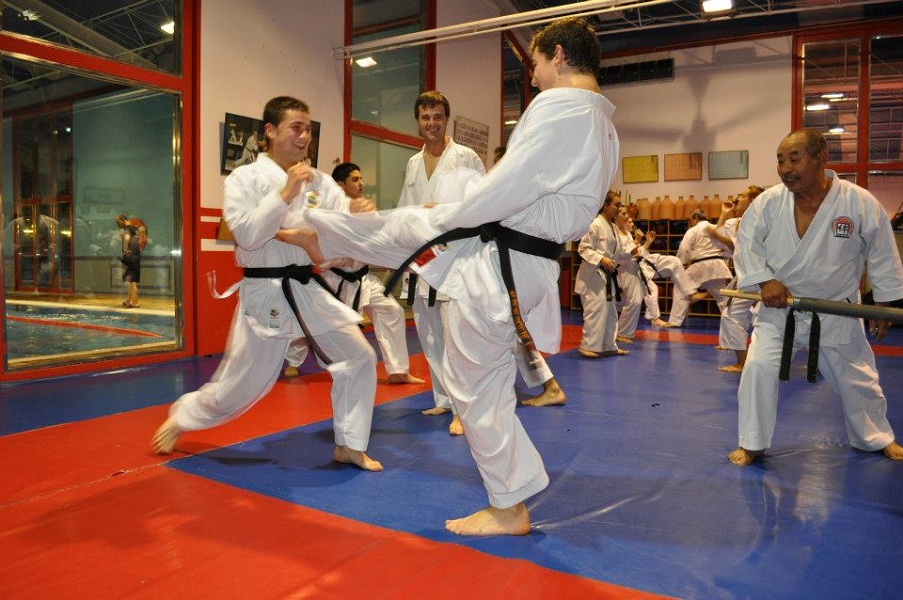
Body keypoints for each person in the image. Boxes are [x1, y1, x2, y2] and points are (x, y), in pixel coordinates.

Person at [285, 16, 619, 534]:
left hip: (504, 256)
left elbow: (506, 187)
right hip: (524, 255)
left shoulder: (561, 107)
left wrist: (452, 212)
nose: (532, 77)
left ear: (557, 55)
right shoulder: (601, 122)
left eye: (534, 64)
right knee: (415, 240)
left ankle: (509, 507)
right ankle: (326, 240)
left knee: (473, 377)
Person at [151, 96, 383, 472]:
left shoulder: (322, 182)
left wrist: (357, 215)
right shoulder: (244, 179)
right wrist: (285, 193)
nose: (304, 136)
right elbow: (247, 236)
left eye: (308, 129)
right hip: (266, 292)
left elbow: (339, 235)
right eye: (296, 127)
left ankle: (350, 444)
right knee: (242, 386)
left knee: (359, 357)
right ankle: (184, 416)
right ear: (270, 131)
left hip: (307, 286)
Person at [729, 127, 903, 466]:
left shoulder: (858, 202)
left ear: (821, 158)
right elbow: (747, 244)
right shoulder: (768, 203)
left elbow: (882, 253)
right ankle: (752, 443)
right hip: (780, 310)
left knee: (858, 378)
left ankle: (876, 438)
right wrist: (765, 281)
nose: (785, 169)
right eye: (780, 160)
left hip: (836, 309)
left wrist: (883, 304)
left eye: (794, 159)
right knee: (758, 368)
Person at [282, 162, 425, 385]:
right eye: (355, 179)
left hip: (363, 278)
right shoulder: (325, 205)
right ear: (340, 184)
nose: (361, 184)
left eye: (361, 179)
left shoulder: (365, 207)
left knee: (391, 310)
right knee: (313, 325)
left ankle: (398, 371)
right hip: (334, 278)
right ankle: (292, 360)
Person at [397, 90, 486, 436]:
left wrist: (445, 211)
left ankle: (464, 409)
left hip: (454, 257)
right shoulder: (412, 163)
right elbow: (405, 208)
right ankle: (444, 398)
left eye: (437, 116)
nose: (431, 123)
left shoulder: (465, 157)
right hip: (420, 258)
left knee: (454, 336)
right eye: (425, 117)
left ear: (446, 119)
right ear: (418, 121)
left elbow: (481, 204)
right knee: (429, 333)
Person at [707, 185, 764, 372]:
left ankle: (742, 363)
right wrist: (724, 214)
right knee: (744, 316)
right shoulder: (736, 222)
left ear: (753, 200)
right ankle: (749, 360)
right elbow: (720, 241)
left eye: (743, 196)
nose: (738, 199)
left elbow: (733, 245)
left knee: (732, 315)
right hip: (748, 275)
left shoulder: (761, 220)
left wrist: (716, 235)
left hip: (757, 275)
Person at [575, 191, 630, 358]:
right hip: (593, 274)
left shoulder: (614, 228)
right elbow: (583, 248)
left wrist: (630, 253)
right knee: (596, 309)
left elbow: (617, 255)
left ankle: (609, 345)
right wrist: (601, 259)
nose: (619, 208)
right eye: (616, 205)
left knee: (611, 311)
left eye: (620, 205)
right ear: (605, 205)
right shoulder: (594, 224)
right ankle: (588, 345)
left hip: (608, 276)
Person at [665, 209, 731, 327]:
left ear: (695, 219)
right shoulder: (716, 228)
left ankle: (674, 321)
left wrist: (681, 264)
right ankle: (731, 321)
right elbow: (727, 247)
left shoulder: (693, 230)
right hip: (717, 264)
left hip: (700, 264)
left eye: (691, 220)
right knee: (722, 297)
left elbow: (684, 249)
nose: (691, 223)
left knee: (680, 288)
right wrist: (723, 263)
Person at [631, 223, 697, 328]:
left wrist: (647, 242)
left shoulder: (628, 236)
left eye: (632, 222)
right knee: (651, 290)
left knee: (674, 263)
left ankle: (654, 317)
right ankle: (688, 292)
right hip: (636, 268)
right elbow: (629, 253)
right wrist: (637, 240)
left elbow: (640, 252)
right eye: (629, 222)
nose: (632, 225)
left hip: (645, 263)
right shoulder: (624, 237)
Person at [613, 205, 645, 344]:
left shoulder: (625, 231)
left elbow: (631, 250)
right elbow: (620, 255)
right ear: (616, 215)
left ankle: (623, 332)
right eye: (624, 213)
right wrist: (636, 241)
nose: (627, 216)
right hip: (623, 269)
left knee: (634, 300)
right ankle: (621, 332)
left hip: (632, 266)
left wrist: (637, 247)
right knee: (633, 300)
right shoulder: (615, 233)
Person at [116, 213, 141, 308]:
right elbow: (134, 240)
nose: (118, 225)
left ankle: (135, 303)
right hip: (136, 255)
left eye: (118, 222)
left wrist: (125, 250)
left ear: (122, 220)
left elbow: (127, 238)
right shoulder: (135, 229)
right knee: (131, 280)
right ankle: (128, 301)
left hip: (130, 256)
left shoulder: (127, 228)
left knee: (132, 281)